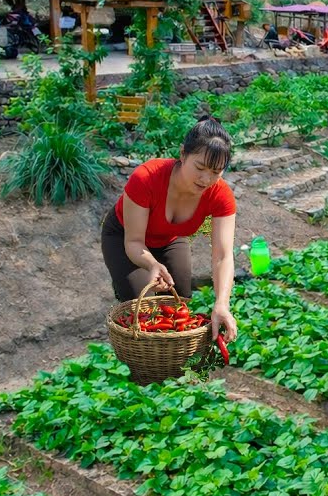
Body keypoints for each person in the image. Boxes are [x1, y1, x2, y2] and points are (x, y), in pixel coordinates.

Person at [101, 117, 239, 342]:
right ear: (183, 154)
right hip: (125, 237)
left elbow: (223, 256)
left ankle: (172, 364)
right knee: (141, 308)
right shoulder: (146, 178)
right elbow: (134, 242)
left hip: (169, 238)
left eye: (216, 171)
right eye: (200, 167)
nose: (206, 179)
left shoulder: (220, 195)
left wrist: (222, 303)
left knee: (180, 304)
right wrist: (152, 264)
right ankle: (142, 362)